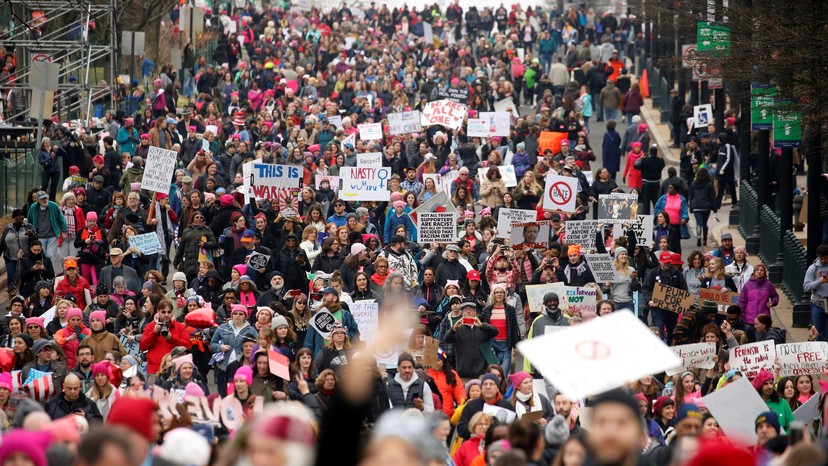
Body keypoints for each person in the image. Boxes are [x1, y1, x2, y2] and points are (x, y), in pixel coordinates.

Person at [643, 251, 688, 344]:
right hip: (657, 307)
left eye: (669, 262)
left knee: (672, 330)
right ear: (660, 261)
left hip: (672, 309)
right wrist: (649, 301)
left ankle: (671, 349)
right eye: (665, 262)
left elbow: (684, 289)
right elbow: (645, 289)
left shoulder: (677, 274)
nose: (667, 264)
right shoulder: (653, 273)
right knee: (658, 329)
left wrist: (683, 303)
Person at [457, 373, 515, 440]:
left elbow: (515, 430)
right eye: (485, 384)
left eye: (491, 384)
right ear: (481, 388)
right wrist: (477, 429)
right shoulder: (471, 405)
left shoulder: (507, 406)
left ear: (497, 389)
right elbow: (460, 429)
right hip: (474, 446)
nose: (488, 387)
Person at [803, 244, 828, 341]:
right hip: (817, 303)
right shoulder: (812, 268)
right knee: (818, 331)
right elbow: (806, 287)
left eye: (826, 258)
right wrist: (819, 282)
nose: (824, 261)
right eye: (821, 258)